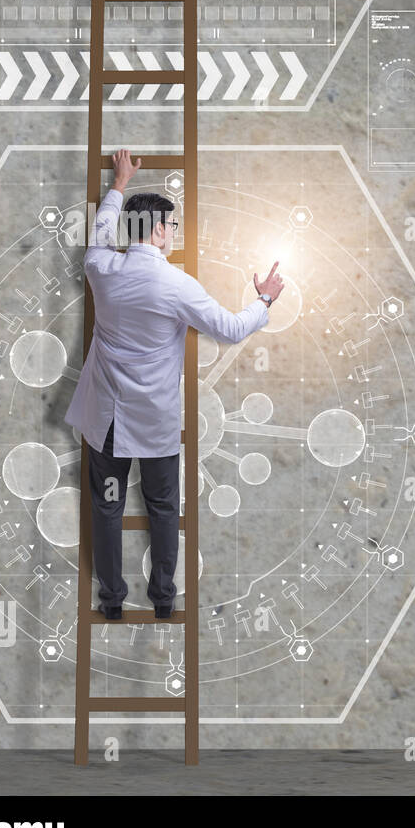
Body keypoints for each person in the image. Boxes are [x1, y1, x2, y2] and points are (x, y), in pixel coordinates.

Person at [63, 149, 284, 620]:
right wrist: (264, 299)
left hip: (105, 421)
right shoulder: (175, 285)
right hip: (154, 422)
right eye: (171, 226)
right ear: (161, 231)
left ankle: (112, 600)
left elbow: (100, 232)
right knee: (163, 508)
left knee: (107, 508)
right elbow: (230, 328)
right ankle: (163, 598)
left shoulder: (101, 266)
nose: (173, 233)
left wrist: (119, 184)